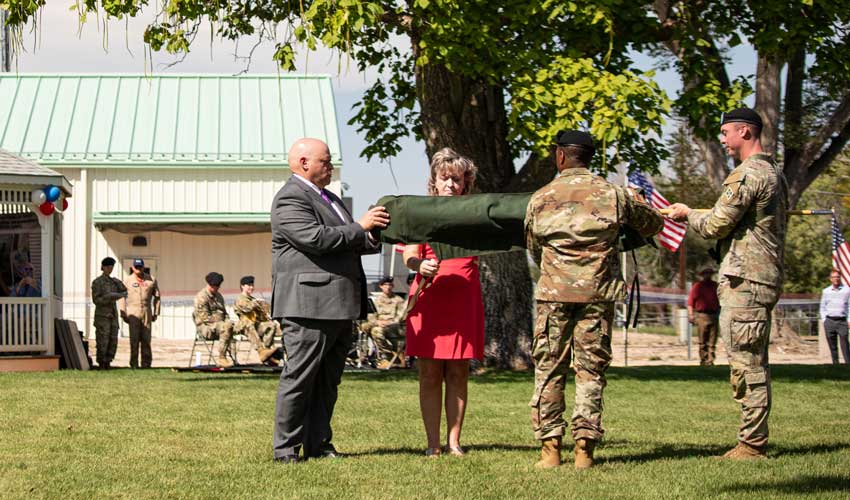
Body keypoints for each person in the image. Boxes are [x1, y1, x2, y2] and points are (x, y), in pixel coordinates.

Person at [525, 130, 664, 469]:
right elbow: (654, 222)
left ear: (560, 156)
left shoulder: (541, 197)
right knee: (590, 371)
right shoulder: (613, 195)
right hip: (597, 296)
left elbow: (532, 246)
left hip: (553, 296)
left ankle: (550, 449)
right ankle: (584, 449)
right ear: (589, 157)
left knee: (549, 368)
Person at [668, 107, 788, 460]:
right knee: (752, 359)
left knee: (746, 362)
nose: (722, 140)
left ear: (745, 132)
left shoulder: (749, 173)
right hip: (757, 276)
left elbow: (716, 225)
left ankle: (751, 444)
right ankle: (752, 439)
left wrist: (687, 213)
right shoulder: (773, 172)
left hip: (746, 280)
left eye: (725, 133)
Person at [270, 137, 388, 463]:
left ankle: (319, 443)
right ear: (304, 162)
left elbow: (351, 240)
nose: (331, 166)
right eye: (325, 161)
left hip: (339, 303)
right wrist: (359, 227)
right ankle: (286, 451)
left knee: (328, 381)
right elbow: (315, 238)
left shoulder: (330, 198)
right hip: (308, 304)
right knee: (300, 378)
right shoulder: (290, 198)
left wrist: (374, 231)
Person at [402, 147, 484, 458]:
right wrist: (417, 265)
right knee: (430, 373)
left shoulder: (476, 215)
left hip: (463, 296)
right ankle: (432, 444)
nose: (451, 184)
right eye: (445, 178)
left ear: (466, 183)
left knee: (458, 373)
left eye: (457, 179)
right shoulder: (420, 212)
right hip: (430, 296)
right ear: (434, 181)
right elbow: (410, 253)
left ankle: (454, 442)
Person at [119, 258, 161, 369]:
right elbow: (122, 297)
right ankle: (134, 364)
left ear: (143, 267)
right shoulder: (128, 280)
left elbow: (157, 297)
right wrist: (123, 313)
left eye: (140, 267)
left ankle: (146, 364)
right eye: (136, 267)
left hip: (146, 311)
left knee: (146, 339)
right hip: (133, 311)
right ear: (133, 268)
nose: (138, 269)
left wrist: (156, 312)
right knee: (134, 339)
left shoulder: (151, 279)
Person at [358, 276, 406, 369]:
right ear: (381, 286)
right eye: (385, 285)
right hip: (379, 324)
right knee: (364, 326)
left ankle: (390, 357)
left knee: (376, 331)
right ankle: (364, 355)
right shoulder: (376, 300)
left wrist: (389, 323)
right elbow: (371, 316)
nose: (388, 287)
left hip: (394, 326)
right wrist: (377, 322)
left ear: (393, 286)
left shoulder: (399, 300)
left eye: (390, 285)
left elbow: (401, 317)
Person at [234, 275, 280, 365]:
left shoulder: (253, 299)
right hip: (244, 326)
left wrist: (264, 307)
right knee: (248, 323)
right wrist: (255, 303)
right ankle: (261, 351)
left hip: (255, 325)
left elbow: (261, 315)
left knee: (271, 325)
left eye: (252, 285)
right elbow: (247, 308)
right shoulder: (240, 299)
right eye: (249, 285)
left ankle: (266, 352)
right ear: (242, 286)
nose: (251, 287)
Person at [90, 257, 127, 370]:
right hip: (102, 316)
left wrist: (117, 291)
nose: (110, 269)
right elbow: (96, 300)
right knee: (102, 340)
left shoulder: (114, 282)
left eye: (111, 267)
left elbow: (125, 291)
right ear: (103, 267)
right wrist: (109, 297)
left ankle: (108, 361)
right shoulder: (97, 282)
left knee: (113, 339)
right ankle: (101, 363)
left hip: (113, 315)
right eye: (108, 267)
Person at [194, 272, 236, 368]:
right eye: (215, 286)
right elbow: (205, 318)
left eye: (218, 286)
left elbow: (224, 313)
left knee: (241, 326)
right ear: (210, 284)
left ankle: (263, 352)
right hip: (206, 328)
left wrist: (228, 321)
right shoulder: (202, 297)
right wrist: (223, 322)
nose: (217, 288)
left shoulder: (219, 296)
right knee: (226, 326)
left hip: (220, 326)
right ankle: (222, 358)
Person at [688, 268, 721, 366]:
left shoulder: (716, 286)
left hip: (714, 315)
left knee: (712, 340)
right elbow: (690, 302)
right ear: (702, 275)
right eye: (705, 274)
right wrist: (691, 315)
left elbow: (721, 300)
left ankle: (710, 360)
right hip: (702, 315)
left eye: (709, 274)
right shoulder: (697, 286)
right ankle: (703, 359)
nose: (708, 276)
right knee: (702, 340)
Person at [819, 269, 850, 365]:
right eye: (833, 277)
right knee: (832, 344)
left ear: (840, 278)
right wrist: (824, 320)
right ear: (830, 279)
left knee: (844, 343)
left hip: (842, 321)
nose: (836, 279)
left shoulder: (847, 290)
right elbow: (822, 306)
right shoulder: (826, 291)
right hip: (829, 321)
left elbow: (849, 306)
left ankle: (848, 363)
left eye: (837, 277)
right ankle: (835, 363)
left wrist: (849, 319)